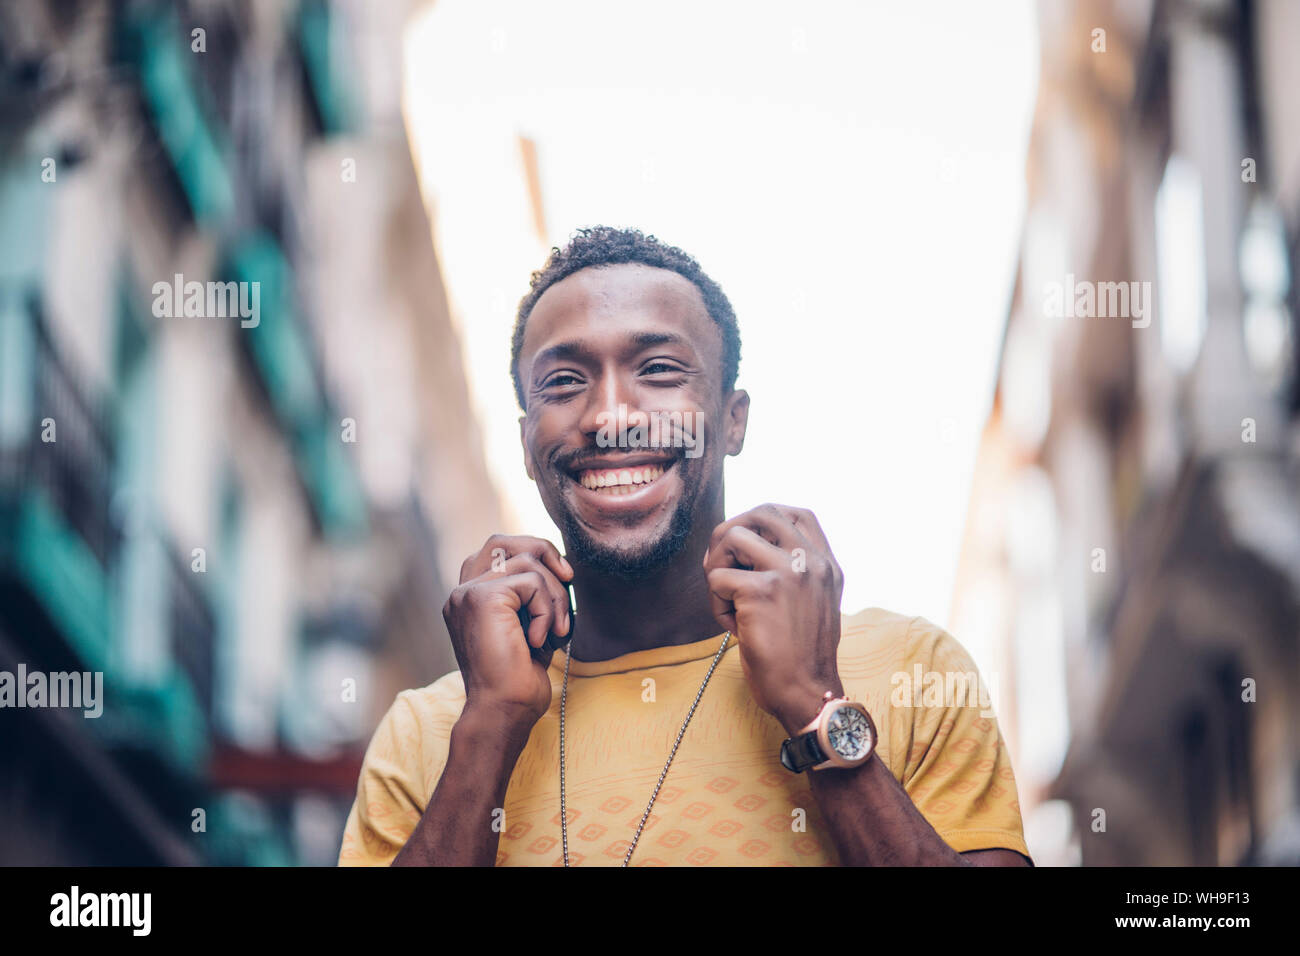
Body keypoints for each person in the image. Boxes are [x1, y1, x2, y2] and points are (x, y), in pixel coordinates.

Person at [338, 226, 1032, 867]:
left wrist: (815, 708)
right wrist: (490, 725)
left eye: (661, 370)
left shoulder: (915, 672)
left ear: (732, 421)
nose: (610, 416)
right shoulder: (432, 731)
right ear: (526, 442)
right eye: (563, 382)